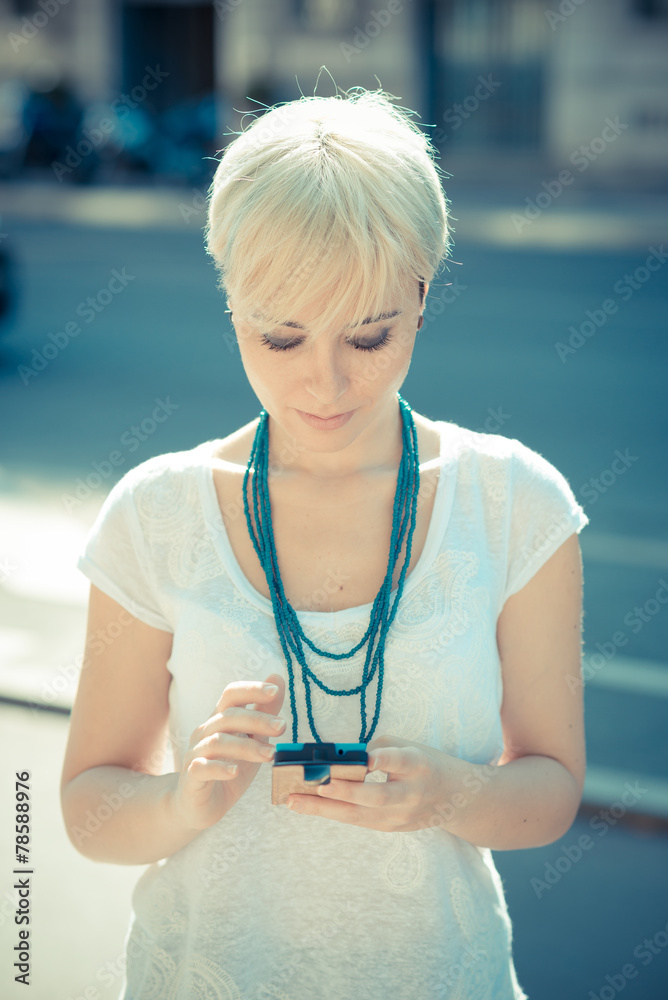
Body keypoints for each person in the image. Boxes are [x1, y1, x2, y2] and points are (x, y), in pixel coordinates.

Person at [61, 83, 589, 1000]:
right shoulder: (158, 512)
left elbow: (551, 789)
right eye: (280, 337)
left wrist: (449, 794)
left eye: (371, 334)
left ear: (423, 296)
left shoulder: (515, 503)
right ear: (232, 307)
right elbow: (83, 808)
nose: (326, 384)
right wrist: (182, 800)